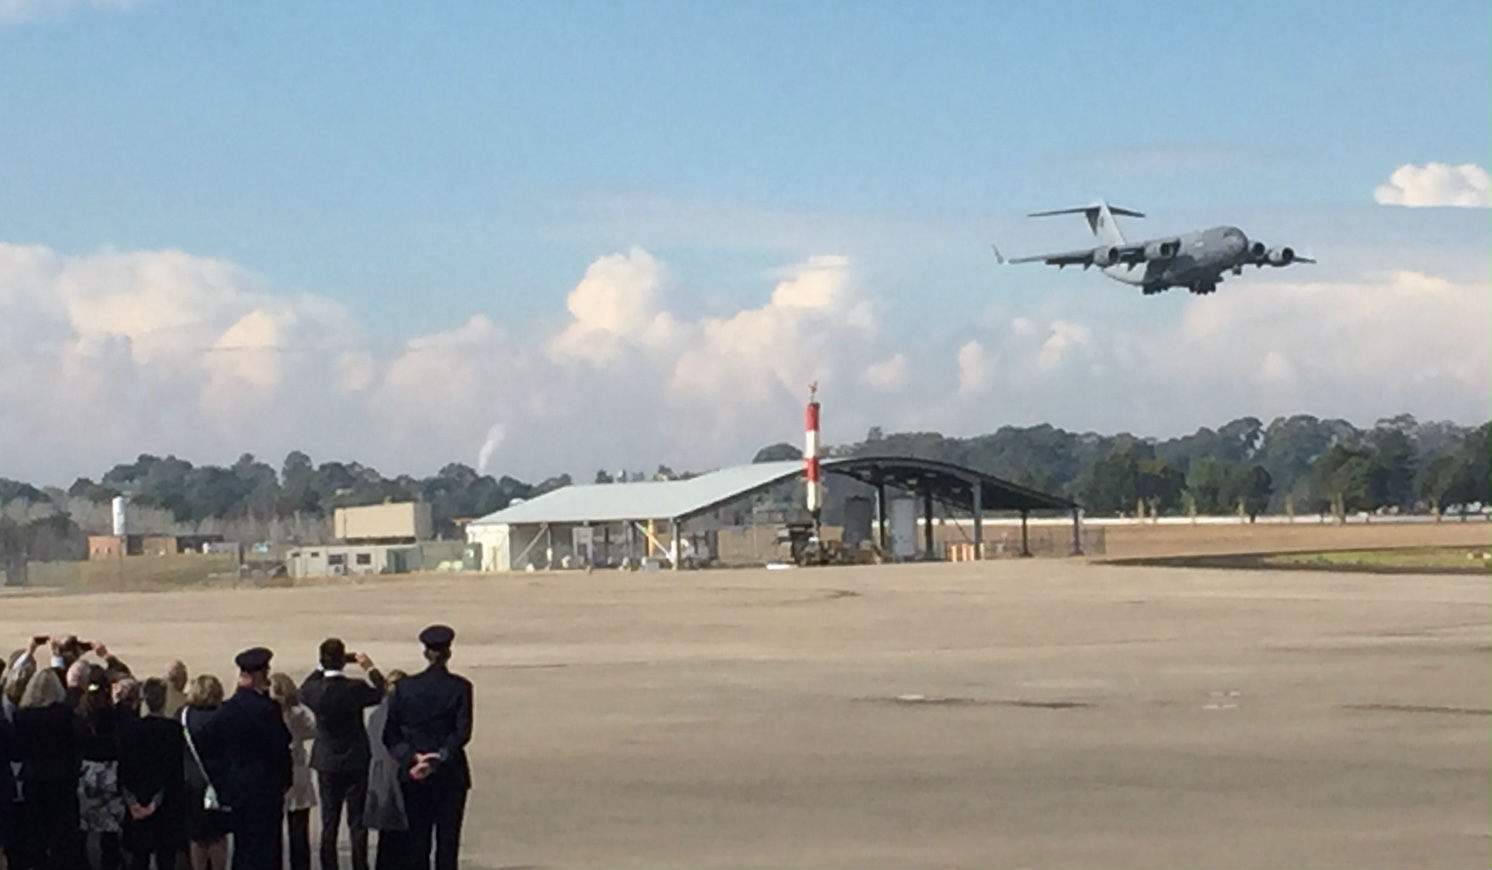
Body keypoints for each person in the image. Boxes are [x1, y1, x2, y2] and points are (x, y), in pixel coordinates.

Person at [382, 626, 472, 870]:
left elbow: (391, 734)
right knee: (447, 843)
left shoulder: (405, 688)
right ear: (449, 653)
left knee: (417, 843)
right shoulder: (460, 687)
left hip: (414, 775)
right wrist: (440, 756)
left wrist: (413, 758)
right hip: (449, 774)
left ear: (425, 653)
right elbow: (462, 733)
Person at [198, 648, 291, 870]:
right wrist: (284, 781)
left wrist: (223, 781)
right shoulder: (266, 709)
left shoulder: (227, 710)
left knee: (244, 850)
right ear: (258, 675)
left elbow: (206, 744)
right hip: (266, 791)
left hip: (239, 791)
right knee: (267, 852)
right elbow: (281, 746)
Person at [299, 639, 385, 870]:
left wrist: (321, 667)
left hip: (327, 760)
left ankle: (329, 865)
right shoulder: (354, 688)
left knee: (330, 820)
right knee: (357, 821)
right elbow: (382, 691)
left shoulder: (315, 690)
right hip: (355, 759)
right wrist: (369, 667)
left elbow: (303, 688)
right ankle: (360, 865)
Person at [14, 669, 82, 870]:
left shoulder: (22, 717)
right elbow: (75, 746)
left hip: (34, 780)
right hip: (63, 782)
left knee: (36, 835)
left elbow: (19, 750)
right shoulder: (66, 715)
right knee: (63, 838)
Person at [120, 678, 186, 870]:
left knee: (138, 858)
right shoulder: (173, 730)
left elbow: (124, 768)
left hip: (138, 802)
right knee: (166, 858)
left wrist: (132, 802)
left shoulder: (129, 729)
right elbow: (173, 771)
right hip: (166, 805)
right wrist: (155, 802)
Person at [77, 664, 127, 869]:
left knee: (85, 827)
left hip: (87, 772)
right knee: (110, 830)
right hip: (110, 773)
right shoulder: (117, 713)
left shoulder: (81, 712)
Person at [181, 675, 231, 870]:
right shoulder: (223, 718)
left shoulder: (184, 716)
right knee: (218, 837)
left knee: (197, 838)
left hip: (193, 785)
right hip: (218, 783)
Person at [268, 674, 316, 870]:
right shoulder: (299, 712)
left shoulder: (267, 711)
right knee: (299, 831)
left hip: (275, 774)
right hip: (297, 772)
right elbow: (313, 730)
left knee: (273, 833)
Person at [363, 670, 407, 870]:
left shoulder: (376, 714)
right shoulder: (405, 715)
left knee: (386, 832)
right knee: (405, 831)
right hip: (398, 771)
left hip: (379, 773)